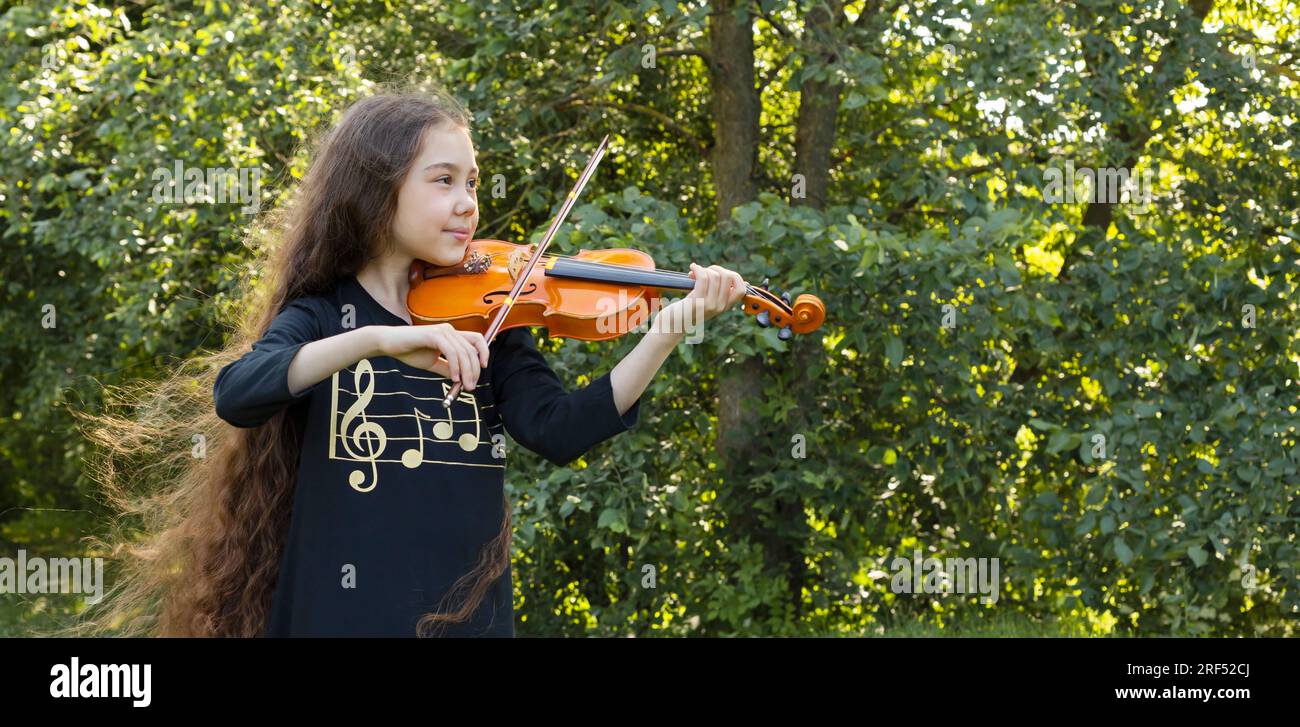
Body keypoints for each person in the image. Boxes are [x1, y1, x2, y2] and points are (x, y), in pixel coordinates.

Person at [114, 86, 746, 637]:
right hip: (341, 615)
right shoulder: (324, 314)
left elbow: (558, 429)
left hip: (462, 613)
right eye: (443, 180)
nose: (469, 201)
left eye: (471, 181)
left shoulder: (490, 319)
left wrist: (664, 331)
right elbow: (238, 391)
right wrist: (378, 340)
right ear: (375, 188)